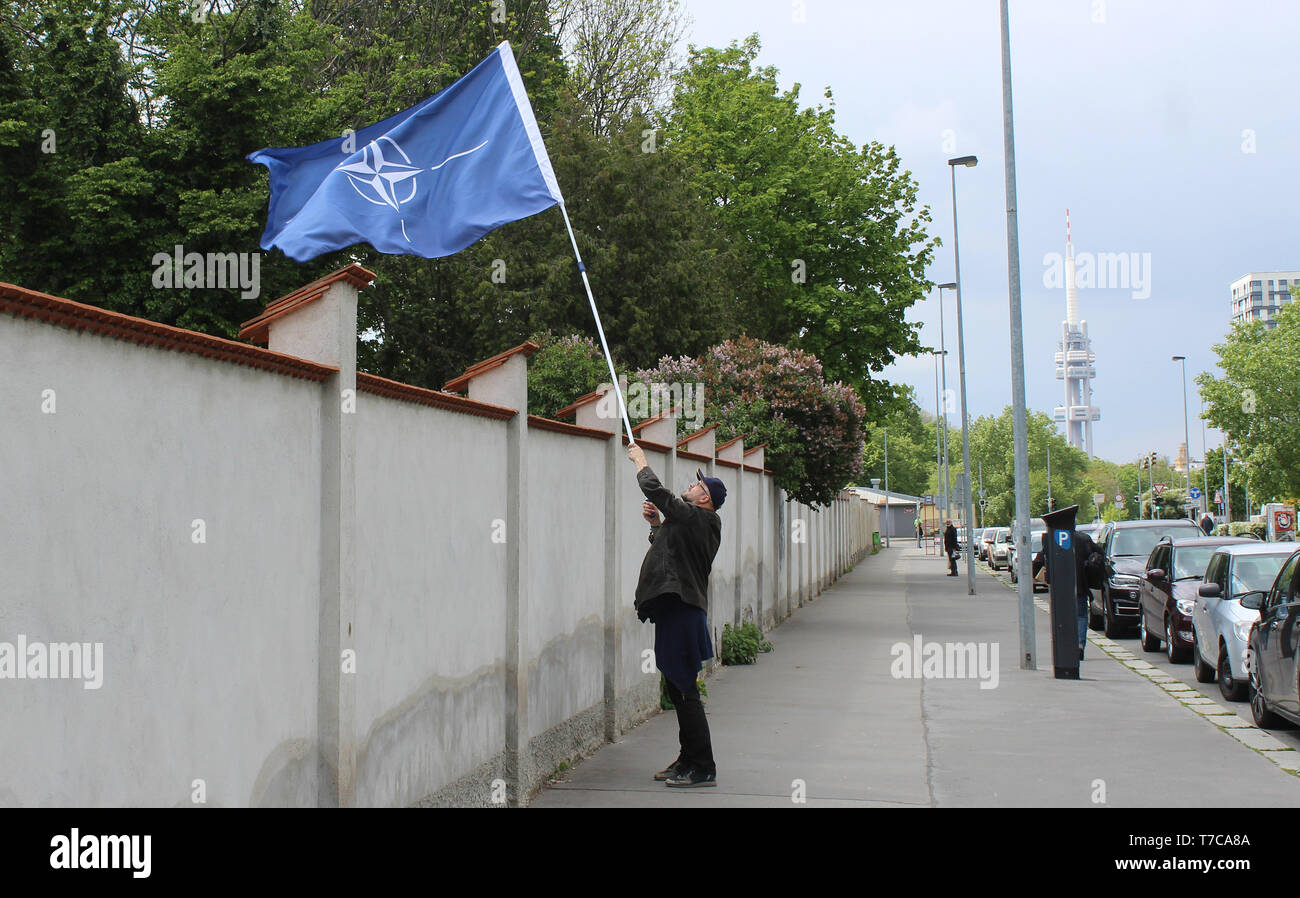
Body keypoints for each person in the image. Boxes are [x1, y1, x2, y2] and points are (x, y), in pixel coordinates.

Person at [628, 444, 725, 789]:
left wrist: (641, 462)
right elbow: (671, 552)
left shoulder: (700, 518)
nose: (692, 485)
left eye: (699, 486)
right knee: (676, 683)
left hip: (684, 611)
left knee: (685, 688)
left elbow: (657, 491)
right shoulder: (691, 521)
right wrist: (656, 525)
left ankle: (702, 765)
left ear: (705, 499)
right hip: (676, 609)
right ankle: (688, 757)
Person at [1032, 526, 1100, 661]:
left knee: (1062, 617)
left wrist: (1040, 577)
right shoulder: (1084, 539)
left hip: (1060, 588)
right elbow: (1099, 554)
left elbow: (1038, 561)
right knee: (1081, 616)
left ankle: (1065, 645)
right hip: (1080, 585)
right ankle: (1080, 644)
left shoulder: (1052, 539)